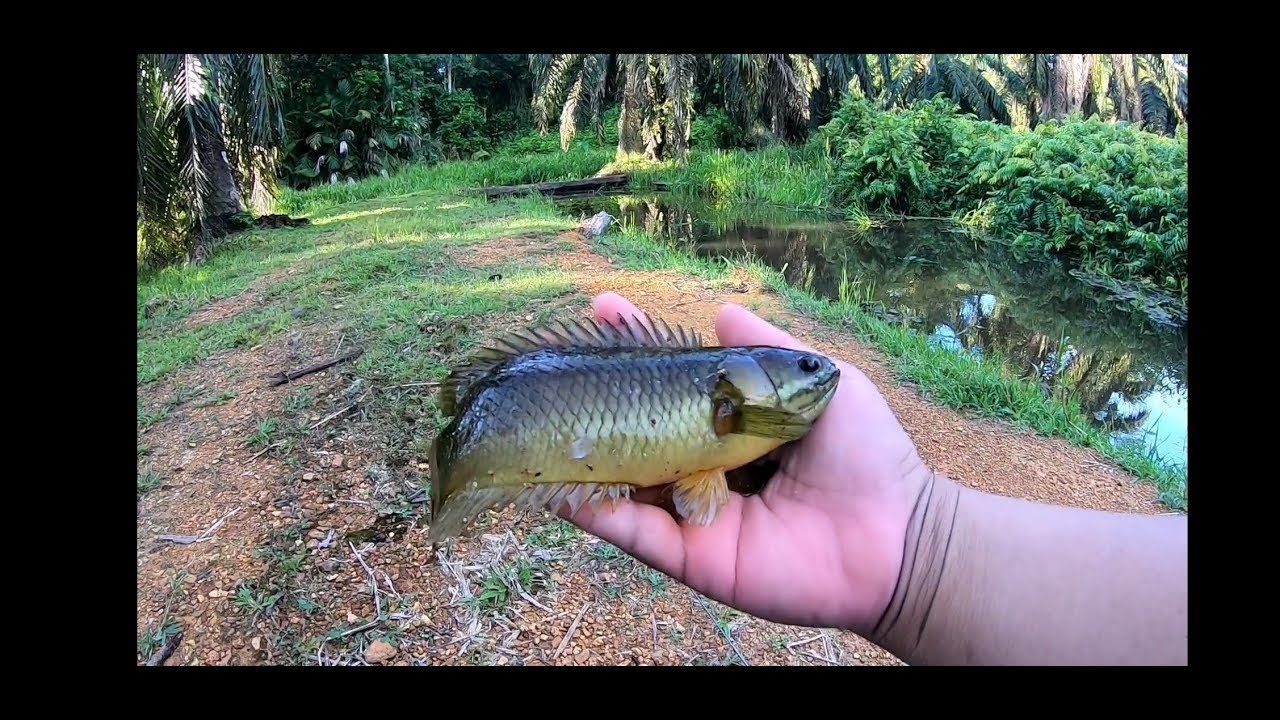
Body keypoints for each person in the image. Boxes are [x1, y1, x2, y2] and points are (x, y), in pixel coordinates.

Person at [555, 292, 1188, 666]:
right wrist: (922, 556)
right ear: (739, 390)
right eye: (801, 368)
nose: (818, 374)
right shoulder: (738, 402)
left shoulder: (754, 407)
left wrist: (919, 558)